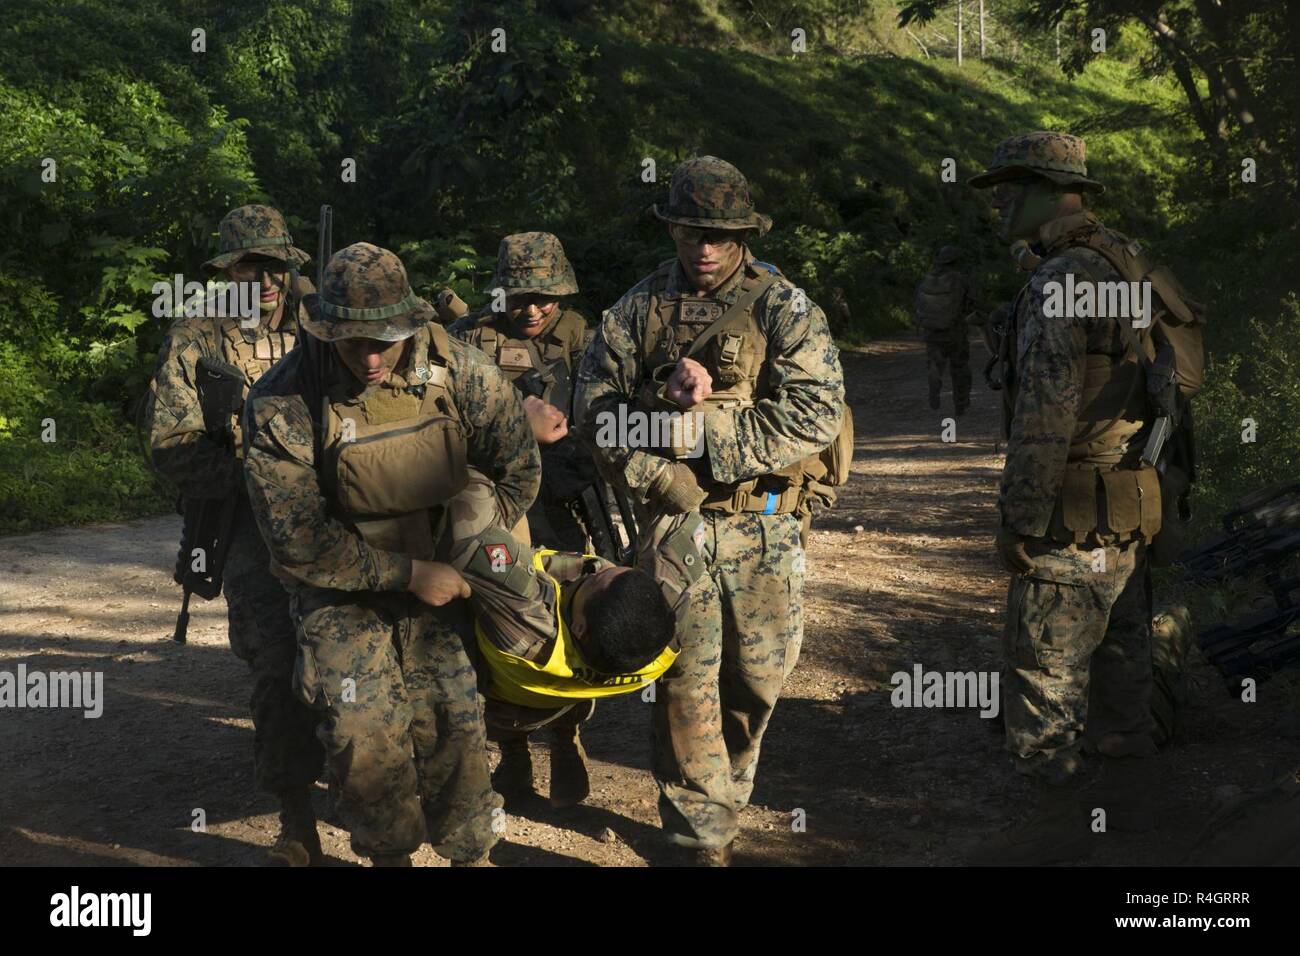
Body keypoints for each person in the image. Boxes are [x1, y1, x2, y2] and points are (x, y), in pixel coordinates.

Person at [574, 156, 846, 865]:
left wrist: (705, 431)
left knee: (757, 682)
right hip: (677, 524)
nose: (705, 248)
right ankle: (700, 837)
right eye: (692, 231)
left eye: (721, 234)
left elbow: (818, 413)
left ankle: (725, 793)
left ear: (744, 234)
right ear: (672, 229)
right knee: (683, 682)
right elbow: (595, 416)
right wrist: (657, 471)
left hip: (766, 521)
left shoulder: (783, 306)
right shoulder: (635, 311)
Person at [241, 242, 541, 866]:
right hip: (344, 590)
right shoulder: (286, 397)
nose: (371, 357)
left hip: (446, 578)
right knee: (363, 735)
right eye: (354, 343)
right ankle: (390, 857)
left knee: (456, 726)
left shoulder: (458, 370)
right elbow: (295, 537)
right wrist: (407, 574)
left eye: (386, 339)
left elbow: (518, 464)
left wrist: (474, 544)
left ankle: (472, 855)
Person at [967, 131, 1200, 864]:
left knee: (1043, 706)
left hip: (1069, 524)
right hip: (1134, 509)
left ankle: (1059, 844)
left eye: (1010, 184)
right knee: (1124, 691)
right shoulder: (1126, 260)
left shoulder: (1060, 279)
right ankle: (1132, 839)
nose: (998, 198)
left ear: (1047, 189)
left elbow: (1044, 414)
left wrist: (1019, 521)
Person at [144, 204, 325, 865]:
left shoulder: (324, 320)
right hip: (252, 522)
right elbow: (169, 445)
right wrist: (249, 469)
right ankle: (296, 812)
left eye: (275, 265)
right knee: (277, 663)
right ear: (229, 271)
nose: (267, 281)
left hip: (339, 511)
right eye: (251, 267)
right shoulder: (198, 335)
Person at [429, 469, 705, 810]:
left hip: (499, 704)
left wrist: (507, 443)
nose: (597, 566)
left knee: (470, 614)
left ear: (577, 626)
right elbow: (683, 523)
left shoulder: (528, 617)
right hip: (566, 696)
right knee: (558, 694)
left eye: (597, 577)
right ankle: (565, 740)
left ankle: (514, 757)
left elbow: (469, 526)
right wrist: (666, 479)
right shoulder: (660, 638)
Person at [449, 232, 599, 554]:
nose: (532, 310)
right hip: (492, 487)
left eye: (542, 298)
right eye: (518, 299)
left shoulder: (579, 336)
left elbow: (603, 405)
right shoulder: (471, 335)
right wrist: (518, 423)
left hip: (561, 484)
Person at [913, 245, 981, 414]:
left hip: (931, 331)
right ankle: (960, 403)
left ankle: (934, 381)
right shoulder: (960, 279)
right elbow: (973, 301)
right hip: (955, 331)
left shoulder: (926, 279)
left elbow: (917, 303)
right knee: (960, 367)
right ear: (955, 261)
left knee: (935, 363)